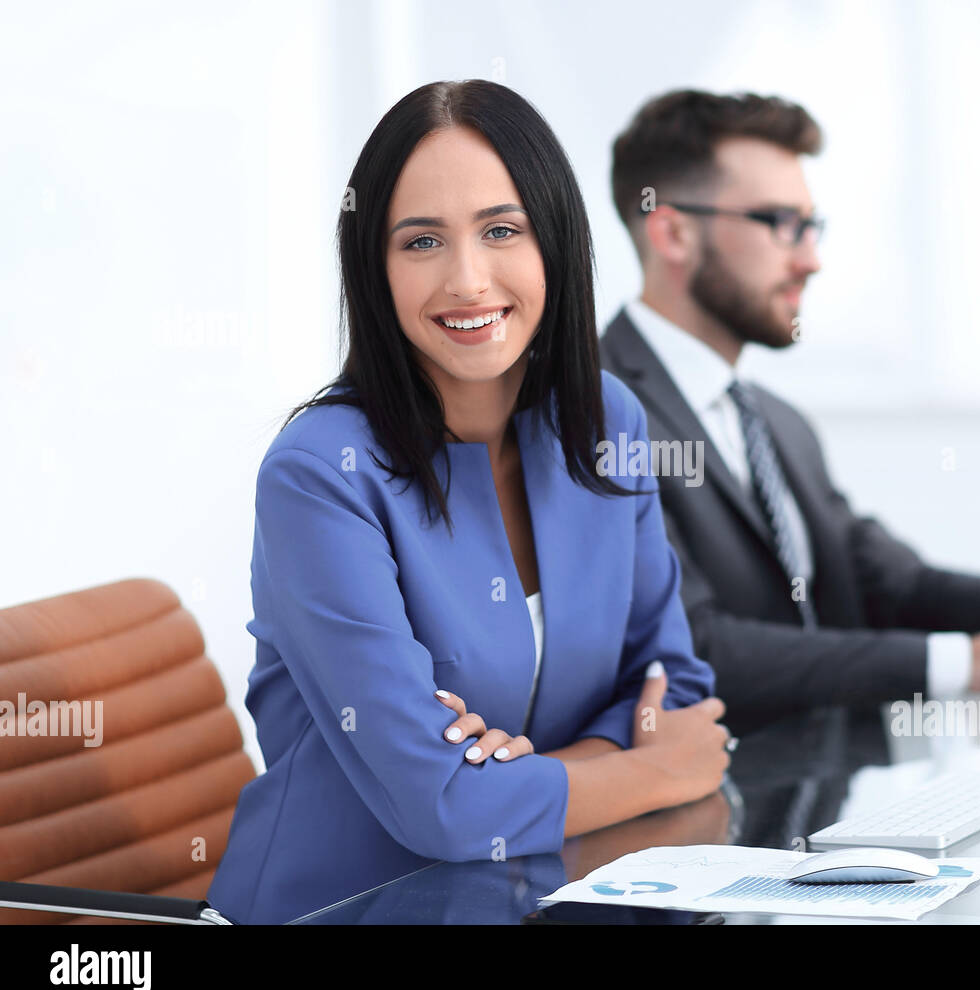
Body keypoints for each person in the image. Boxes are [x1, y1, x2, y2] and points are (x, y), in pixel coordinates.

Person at [207, 80, 732, 924]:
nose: (467, 278)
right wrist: (650, 771)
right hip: (340, 910)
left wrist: (553, 771)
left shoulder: (607, 421)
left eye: (501, 230)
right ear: (373, 269)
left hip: (538, 893)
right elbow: (442, 807)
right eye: (421, 242)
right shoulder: (319, 474)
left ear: (553, 241)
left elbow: (673, 684)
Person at [600, 89, 980, 738]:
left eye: (812, 227)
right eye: (781, 224)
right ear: (672, 231)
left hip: (817, 801)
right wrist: (961, 663)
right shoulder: (592, 411)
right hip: (701, 824)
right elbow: (693, 644)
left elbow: (886, 583)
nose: (811, 259)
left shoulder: (778, 422)